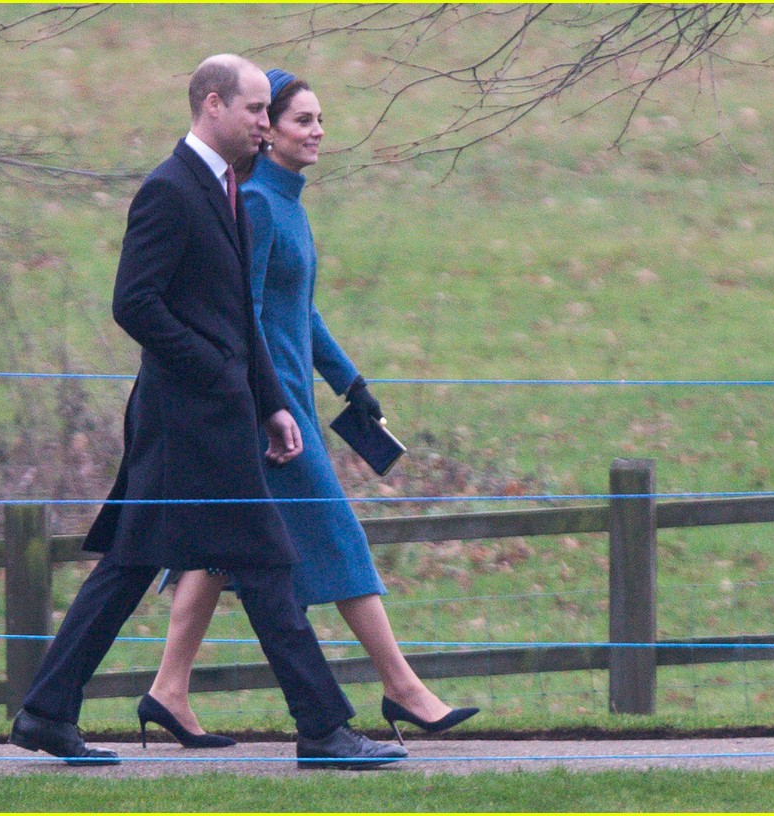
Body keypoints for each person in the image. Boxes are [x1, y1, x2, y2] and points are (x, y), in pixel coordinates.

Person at [7, 54, 407, 770]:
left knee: (132, 563)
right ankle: (321, 728)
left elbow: (240, 319)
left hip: (217, 413)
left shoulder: (228, 188)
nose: (265, 122)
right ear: (213, 105)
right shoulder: (170, 190)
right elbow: (134, 303)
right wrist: (220, 377)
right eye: (257, 110)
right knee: (267, 561)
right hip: (184, 417)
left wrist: (272, 404)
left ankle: (44, 711)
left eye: (266, 112)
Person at [142, 68, 478, 751]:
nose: (316, 131)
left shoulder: (282, 203)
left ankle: (167, 692)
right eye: (301, 120)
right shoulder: (260, 205)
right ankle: (402, 687)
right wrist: (267, 405)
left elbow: (302, 309)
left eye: (319, 120)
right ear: (267, 135)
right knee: (339, 539)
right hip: (272, 416)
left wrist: (348, 382)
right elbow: (249, 316)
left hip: (280, 402)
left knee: (217, 551)